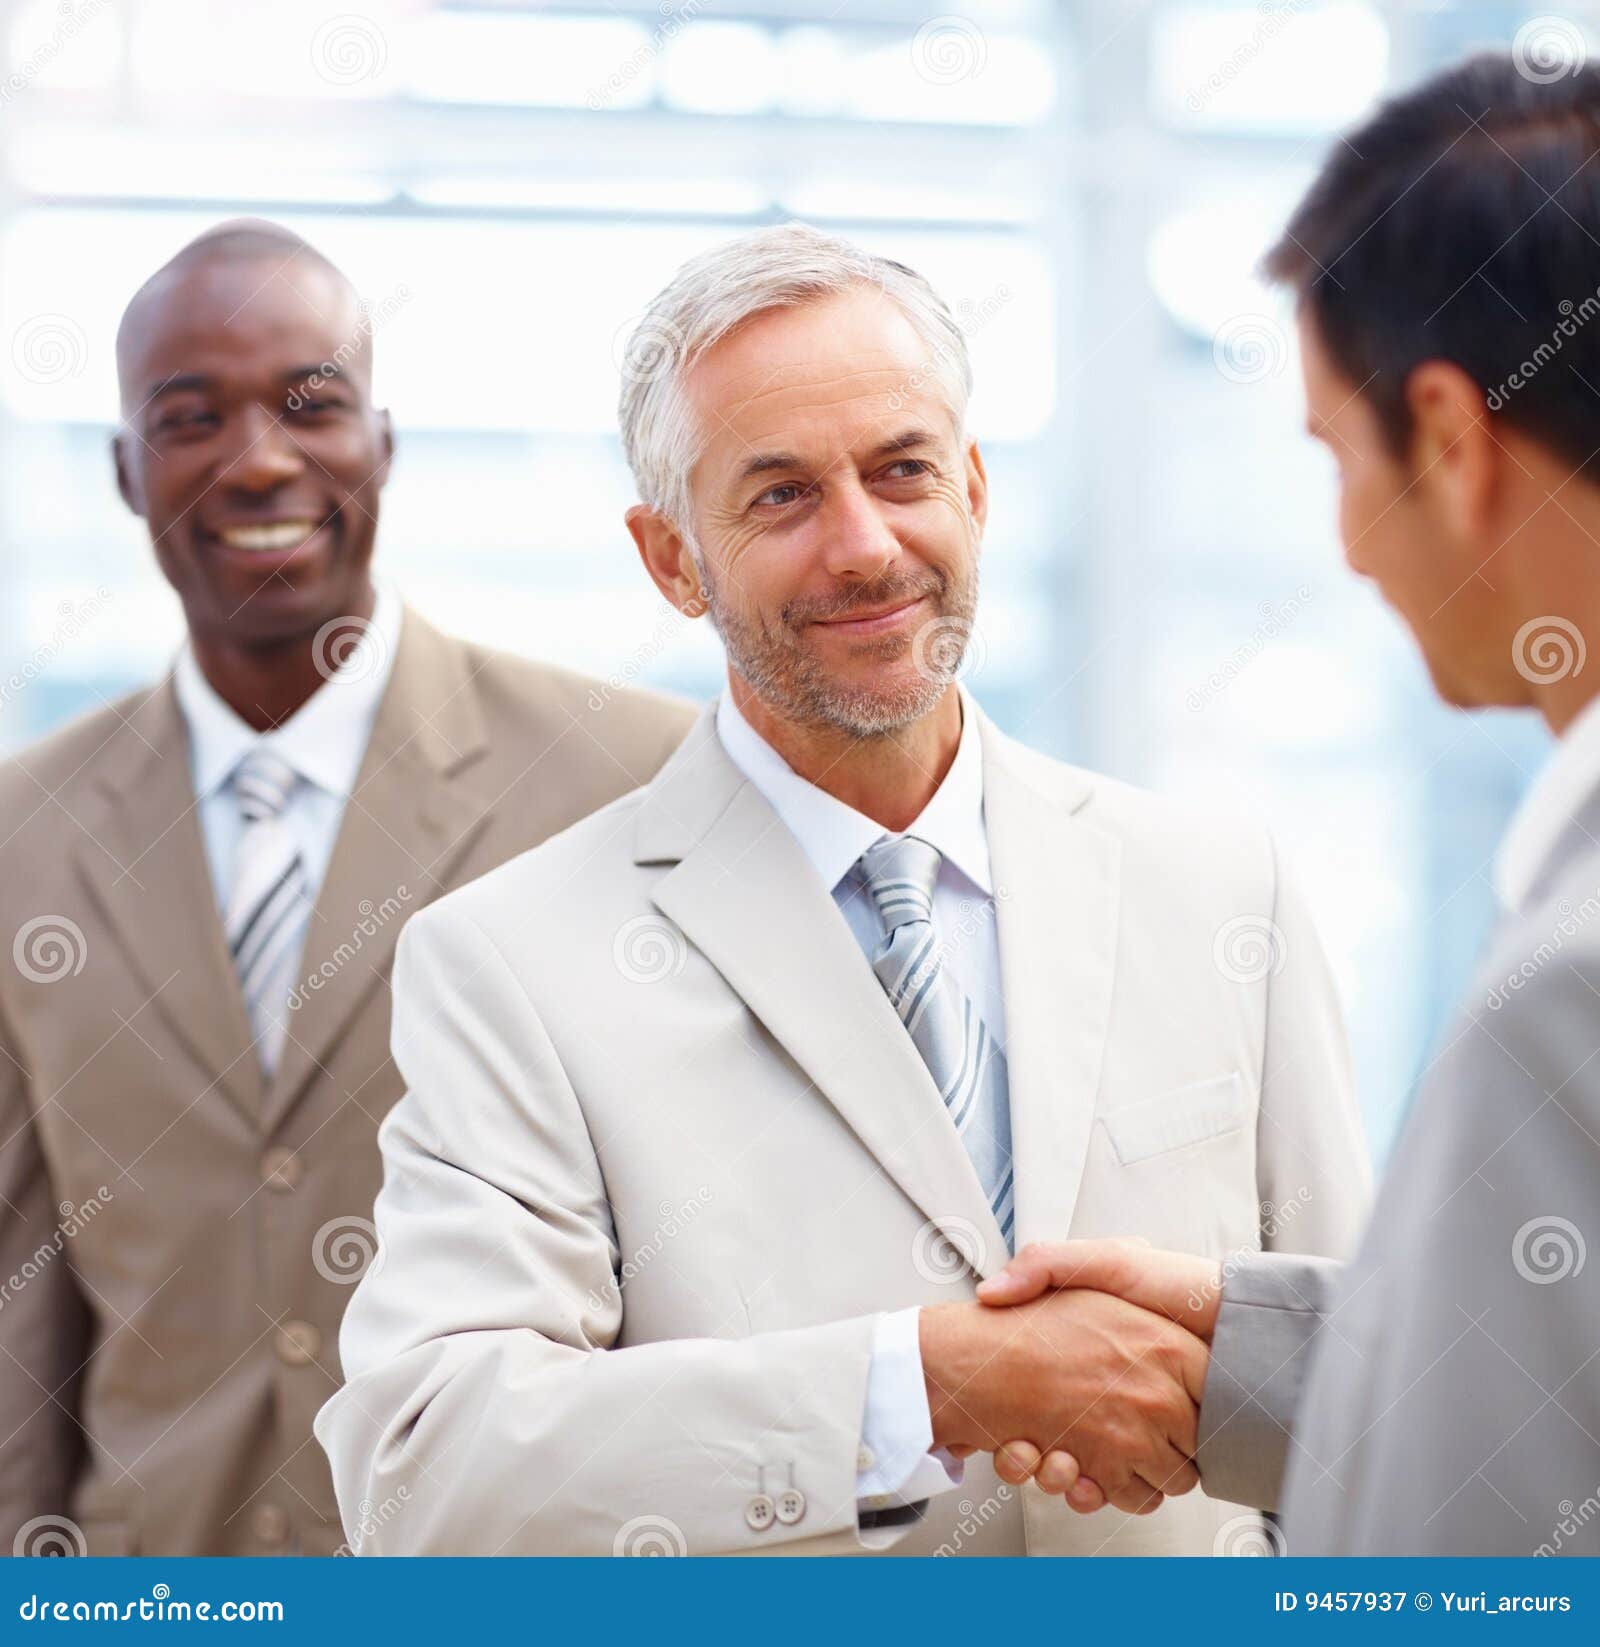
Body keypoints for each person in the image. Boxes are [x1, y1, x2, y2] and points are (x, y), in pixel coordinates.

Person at [314, 222, 1369, 1556]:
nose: (865, 547)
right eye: (781, 496)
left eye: (902, 470)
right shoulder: (513, 962)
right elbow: (424, 1473)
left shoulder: (1224, 891)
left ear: (973, 488)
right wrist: (922, 1387)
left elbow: (1389, 1393)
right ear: (671, 560)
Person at [979, 52, 1600, 1557]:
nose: (1350, 548)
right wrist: (1258, 1348)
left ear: (1449, 440)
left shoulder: (1567, 992)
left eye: (1336, 455)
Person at [0, 220, 693, 1556]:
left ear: (383, 441)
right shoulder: (23, 836)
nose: (260, 459)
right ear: (126, 471)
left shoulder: (625, 779)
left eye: (310, 406)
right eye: (191, 418)